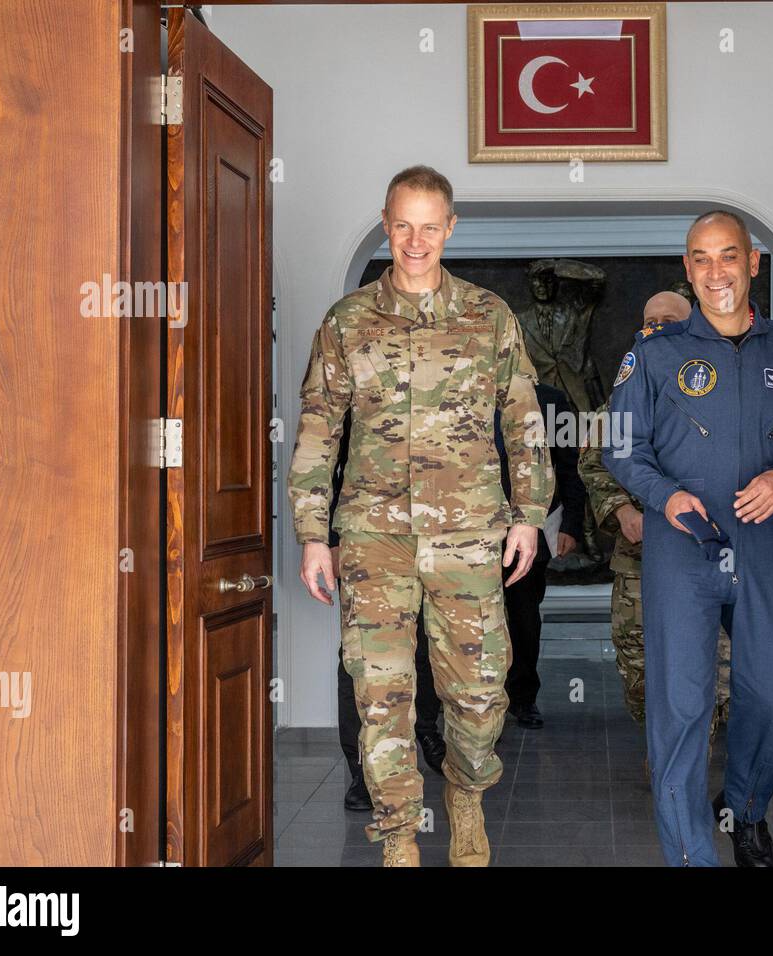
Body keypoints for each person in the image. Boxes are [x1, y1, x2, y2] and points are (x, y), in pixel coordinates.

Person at [288, 165, 554, 868]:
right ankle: (399, 837)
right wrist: (314, 536)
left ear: (450, 228)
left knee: (478, 695)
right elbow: (318, 431)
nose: (414, 240)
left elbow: (525, 420)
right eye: (402, 225)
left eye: (429, 226)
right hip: (374, 538)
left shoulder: (488, 315)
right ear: (386, 222)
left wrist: (528, 515)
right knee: (381, 695)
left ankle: (465, 794)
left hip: (470, 537)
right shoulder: (346, 322)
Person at [603, 210, 773, 867]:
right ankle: (691, 856)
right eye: (701, 259)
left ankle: (746, 810)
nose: (716, 272)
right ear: (688, 268)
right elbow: (621, 449)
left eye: (728, 256)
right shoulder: (654, 354)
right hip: (681, 547)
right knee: (681, 710)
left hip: (763, 544)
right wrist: (663, 495)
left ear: (753, 262)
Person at [580, 293, 773, 745]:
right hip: (641, 554)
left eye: (668, 320)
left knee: (722, 667)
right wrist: (621, 510)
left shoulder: (741, 381)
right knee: (643, 662)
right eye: (649, 320)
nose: (657, 327)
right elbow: (597, 462)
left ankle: (720, 765)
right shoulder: (626, 393)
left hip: (724, 551)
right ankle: (671, 757)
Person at [327, 409, 444, 814]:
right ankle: (363, 771)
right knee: (361, 657)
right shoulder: (360, 366)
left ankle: (425, 731)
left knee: (432, 644)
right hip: (368, 536)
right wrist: (329, 538)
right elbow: (327, 459)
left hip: (441, 537)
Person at [500, 382, 586, 729]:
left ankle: (522, 698)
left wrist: (572, 524)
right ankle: (476, 708)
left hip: (530, 528)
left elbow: (570, 465)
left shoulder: (551, 399)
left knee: (523, 618)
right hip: (468, 531)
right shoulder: (464, 389)